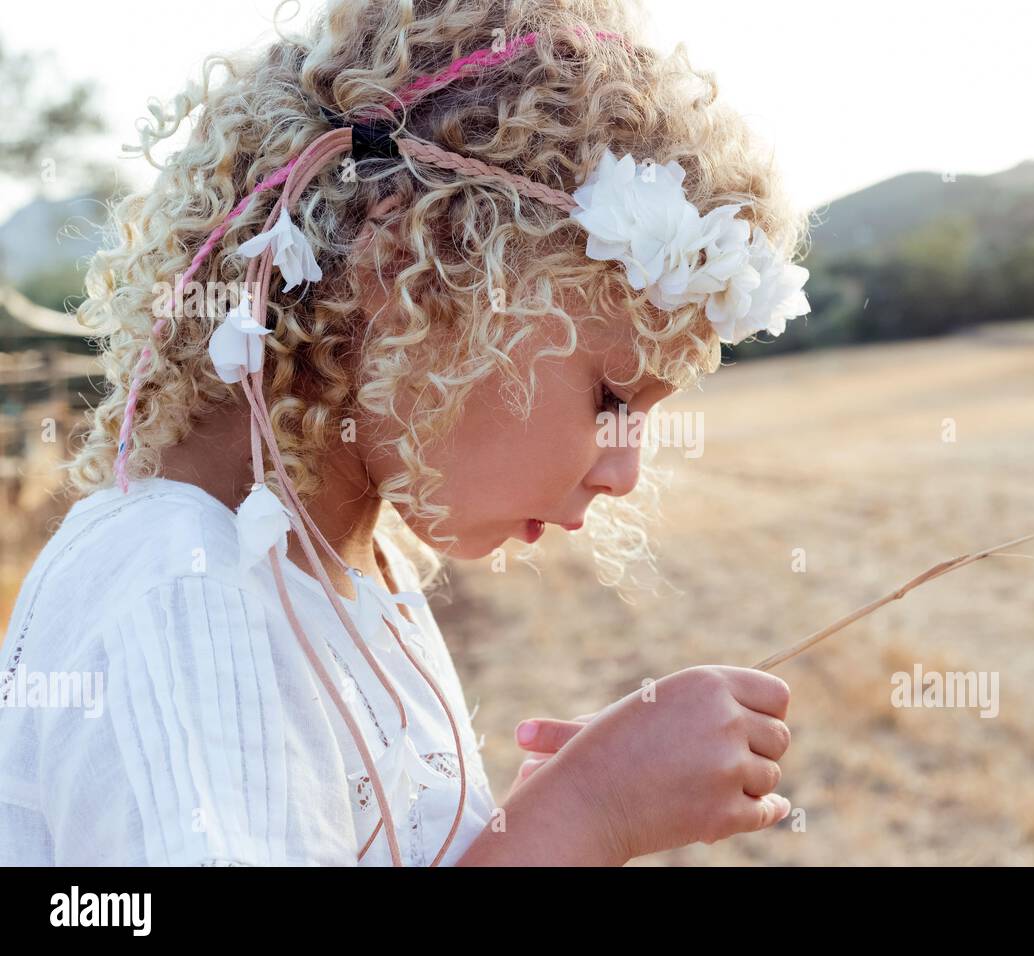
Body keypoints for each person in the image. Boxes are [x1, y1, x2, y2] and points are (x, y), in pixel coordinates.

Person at [0, 0, 811, 866]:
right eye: (611, 396)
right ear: (411, 269)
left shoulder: (350, 574)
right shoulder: (183, 589)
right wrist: (580, 820)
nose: (625, 474)